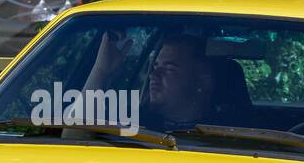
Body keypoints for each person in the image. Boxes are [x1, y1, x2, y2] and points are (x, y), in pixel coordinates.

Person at [83, 31, 216, 131]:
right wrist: (101, 70)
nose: (153, 75)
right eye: (155, 66)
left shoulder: (225, 135)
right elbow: (74, 138)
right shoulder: (132, 123)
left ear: (203, 81)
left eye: (170, 68)